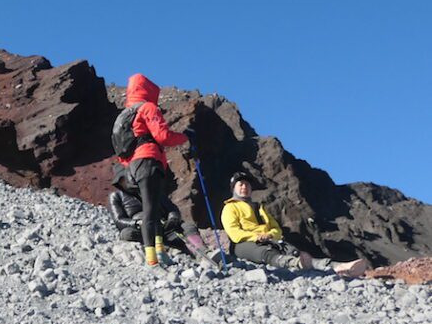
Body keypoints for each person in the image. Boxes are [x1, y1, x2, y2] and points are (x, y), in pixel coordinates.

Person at [222, 171, 368, 277]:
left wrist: (270, 235)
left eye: (247, 184)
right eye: (240, 184)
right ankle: (296, 264)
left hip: (267, 239)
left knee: (293, 251)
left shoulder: (259, 207)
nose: (244, 187)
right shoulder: (230, 207)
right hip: (242, 244)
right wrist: (256, 237)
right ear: (233, 188)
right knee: (266, 254)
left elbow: (276, 228)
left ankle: (336, 266)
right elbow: (234, 233)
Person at [118, 73, 191, 267]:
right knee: (151, 210)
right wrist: (185, 137)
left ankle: (160, 252)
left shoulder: (126, 114)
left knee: (154, 208)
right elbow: (163, 136)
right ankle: (152, 259)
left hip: (133, 166)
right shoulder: (147, 107)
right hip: (149, 161)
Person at [108, 165, 210, 255]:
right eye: (122, 180)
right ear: (118, 182)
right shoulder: (115, 196)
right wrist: (138, 223)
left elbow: (171, 208)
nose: (127, 181)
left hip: (164, 226)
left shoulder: (149, 187)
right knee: (127, 234)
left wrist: (173, 218)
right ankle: (162, 250)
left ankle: (201, 251)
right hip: (141, 230)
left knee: (188, 226)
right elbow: (118, 220)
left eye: (128, 177)